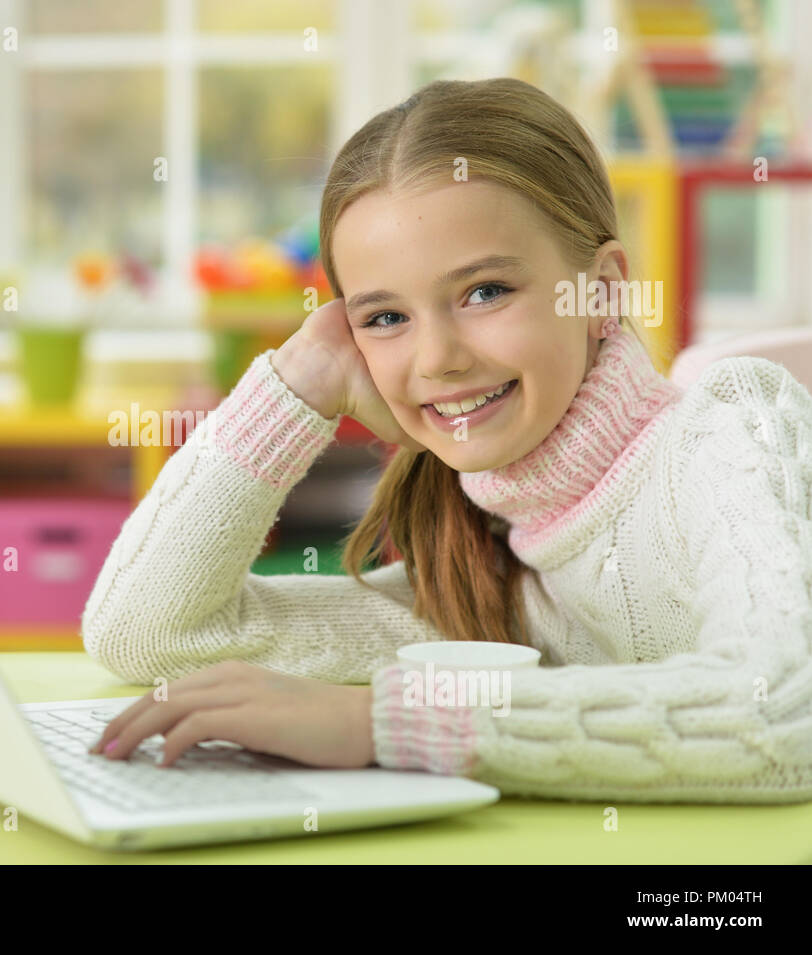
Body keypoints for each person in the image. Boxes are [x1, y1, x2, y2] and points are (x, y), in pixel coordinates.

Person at [83, 77, 812, 804]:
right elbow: (146, 633)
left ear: (602, 292)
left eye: (485, 291)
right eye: (385, 317)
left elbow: (785, 711)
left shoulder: (733, 424)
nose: (437, 360)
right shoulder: (478, 583)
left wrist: (383, 722)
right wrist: (299, 380)